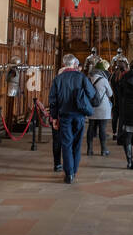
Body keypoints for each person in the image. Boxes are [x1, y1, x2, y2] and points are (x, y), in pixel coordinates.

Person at [49, 54, 97, 183]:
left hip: (64, 115)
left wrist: (54, 117)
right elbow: (92, 93)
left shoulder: (58, 79)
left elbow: (53, 101)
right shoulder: (81, 77)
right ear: (75, 64)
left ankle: (69, 174)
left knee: (66, 144)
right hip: (79, 115)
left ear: (64, 64)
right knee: (77, 143)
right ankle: (74, 170)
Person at [84, 58, 114, 156]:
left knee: (91, 128)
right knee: (102, 128)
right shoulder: (104, 80)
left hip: (91, 106)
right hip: (103, 107)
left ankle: (89, 149)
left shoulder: (88, 78)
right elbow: (110, 94)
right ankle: (104, 150)